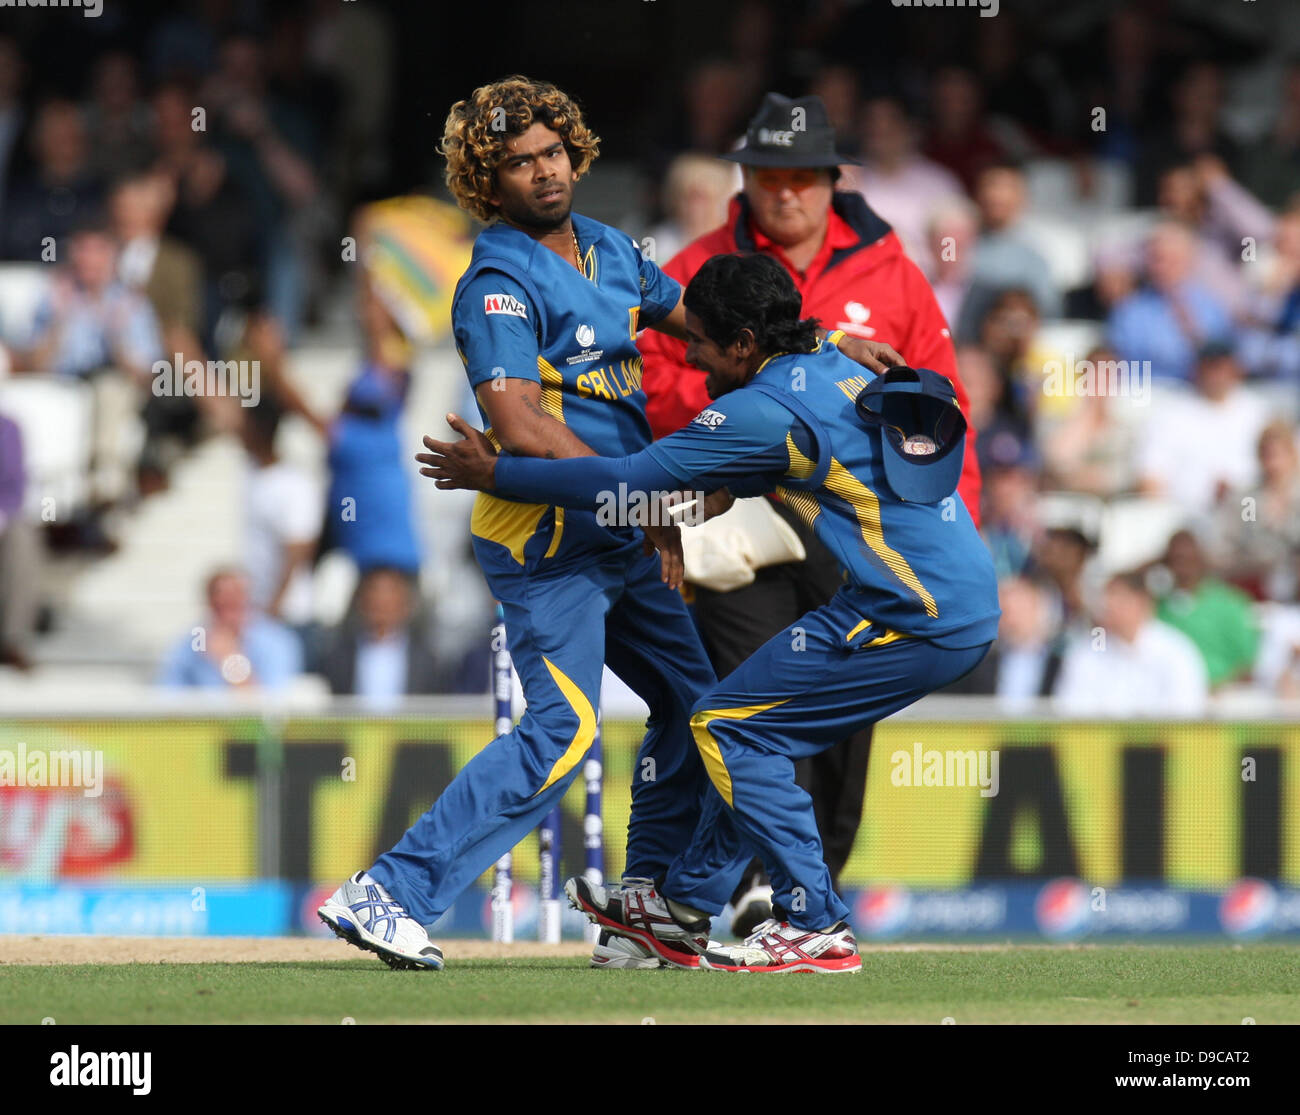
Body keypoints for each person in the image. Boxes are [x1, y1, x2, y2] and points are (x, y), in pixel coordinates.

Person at [314, 76, 910, 972]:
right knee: (566, 735)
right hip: (547, 538)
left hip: (625, 526)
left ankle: (647, 907)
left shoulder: (609, 249)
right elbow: (515, 423)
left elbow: (716, 327)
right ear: (488, 182)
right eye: (518, 164)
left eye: (552, 152)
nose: (544, 172)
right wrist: (640, 497)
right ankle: (388, 893)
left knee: (698, 711)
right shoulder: (496, 282)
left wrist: (827, 343)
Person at [421, 253, 1000, 973]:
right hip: (920, 595)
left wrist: (498, 473)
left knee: (726, 727)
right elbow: (725, 483)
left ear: (744, 344)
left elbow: (626, 480)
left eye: (698, 339)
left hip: (919, 611)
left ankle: (815, 922)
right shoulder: (824, 357)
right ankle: (683, 909)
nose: (686, 354)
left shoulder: (761, 408)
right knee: (739, 723)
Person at [637, 91, 981, 936]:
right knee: (751, 701)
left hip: (858, 533)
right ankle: (762, 895)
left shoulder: (895, 272)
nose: (784, 192)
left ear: (834, 180)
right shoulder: (697, 267)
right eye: (766, 175)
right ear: (743, 178)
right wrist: (751, 423)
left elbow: (940, 408)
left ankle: (794, 900)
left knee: (829, 734)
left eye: (801, 177)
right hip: (735, 523)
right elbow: (652, 381)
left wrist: (950, 530)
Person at [1054, 571, 1208, 717]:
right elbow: (1072, 709)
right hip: (1099, 741)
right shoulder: (1093, 646)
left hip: (1160, 742)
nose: (1109, 605)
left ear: (1142, 603)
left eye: (1119, 598)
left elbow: (1185, 713)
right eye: (1107, 597)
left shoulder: (1175, 650)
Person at [157, 566, 302, 691]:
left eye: (235, 604)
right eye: (221, 606)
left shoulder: (275, 641)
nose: (229, 615)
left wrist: (230, 659)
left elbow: (269, 704)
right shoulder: (193, 640)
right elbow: (169, 692)